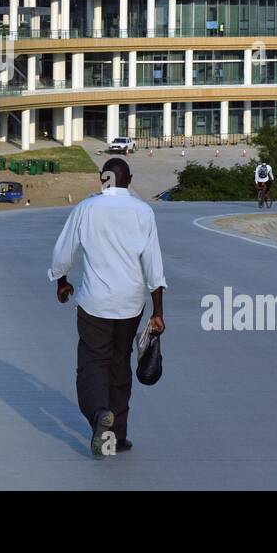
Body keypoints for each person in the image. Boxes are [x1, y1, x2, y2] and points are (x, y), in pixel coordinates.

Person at [48, 157, 166, 457]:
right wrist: (158, 312)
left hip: (94, 303)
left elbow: (63, 250)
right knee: (119, 364)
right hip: (131, 304)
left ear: (103, 179)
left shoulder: (87, 208)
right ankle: (117, 436)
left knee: (91, 365)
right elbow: (153, 266)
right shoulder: (143, 211)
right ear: (129, 180)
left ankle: (100, 414)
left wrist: (61, 281)